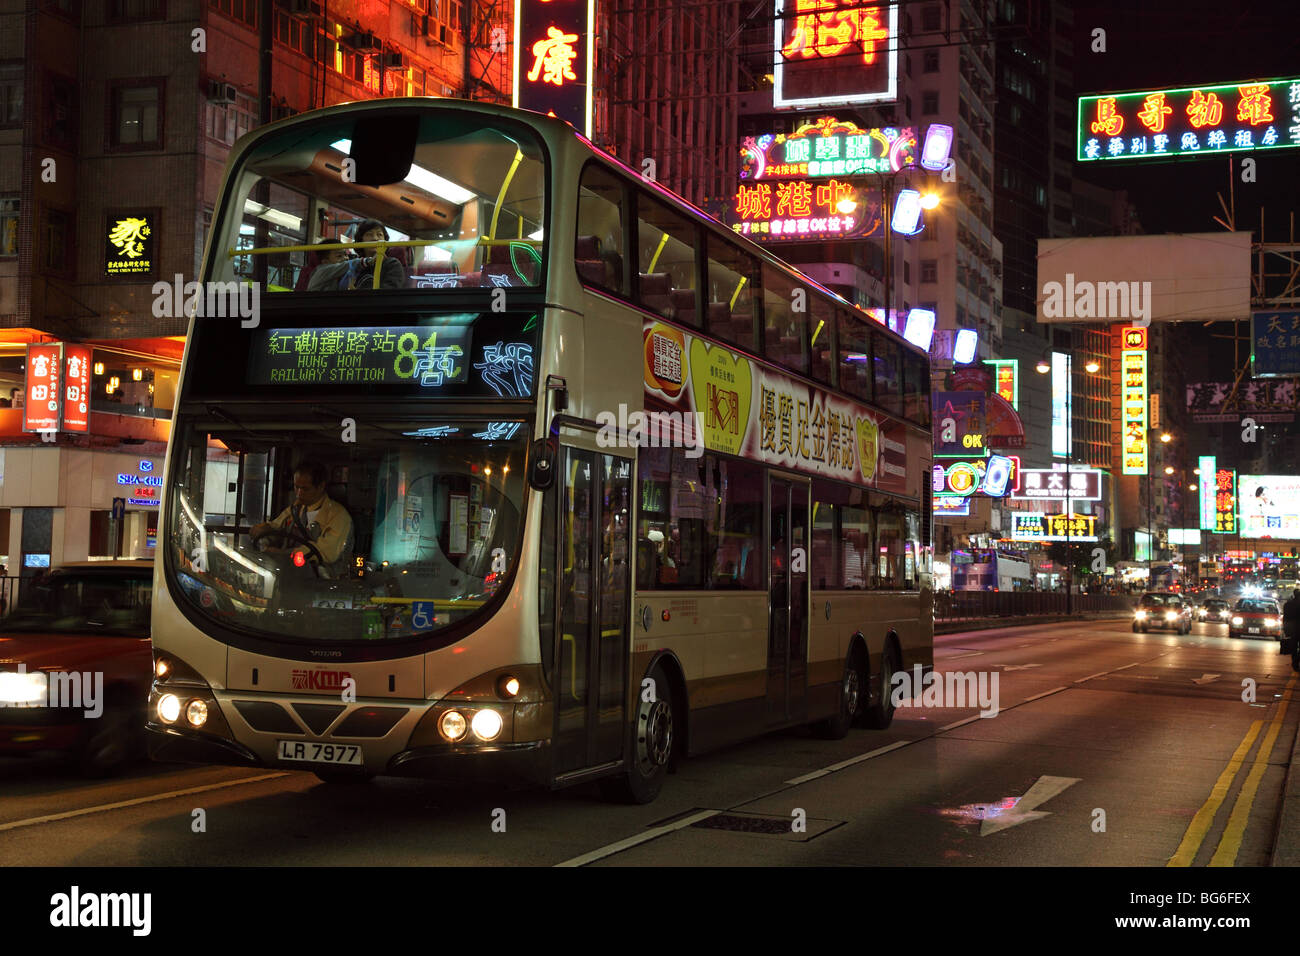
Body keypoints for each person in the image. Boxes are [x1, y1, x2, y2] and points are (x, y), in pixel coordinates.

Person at [249, 460, 354, 578]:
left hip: (325, 584)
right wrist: (264, 532)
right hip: (290, 578)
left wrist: (283, 554)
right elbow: (276, 528)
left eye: (305, 489)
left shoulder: (338, 517)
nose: (299, 494)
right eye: (296, 487)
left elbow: (327, 553)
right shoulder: (295, 509)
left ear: (320, 486)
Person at [307, 219, 406, 290]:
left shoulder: (392, 264)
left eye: (379, 234)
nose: (375, 238)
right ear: (360, 240)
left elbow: (389, 294)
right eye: (369, 234)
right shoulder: (350, 267)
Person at [1283, 588, 1300, 672]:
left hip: (1292, 629)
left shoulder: (1288, 604)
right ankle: (1295, 662)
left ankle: (1295, 663)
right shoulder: (1292, 604)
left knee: (1293, 647)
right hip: (1296, 628)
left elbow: (1285, 618)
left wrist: (1285, 628)